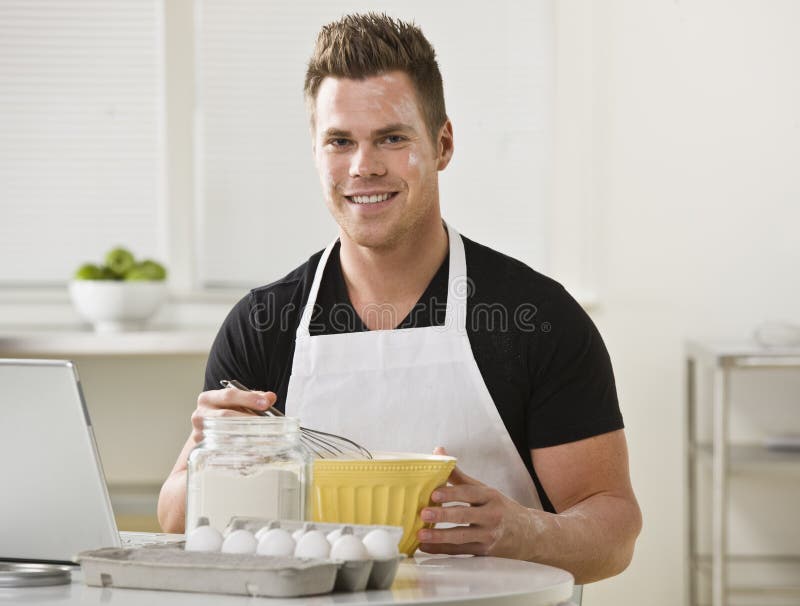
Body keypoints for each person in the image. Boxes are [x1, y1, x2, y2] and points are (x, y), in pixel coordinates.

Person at [158, 13, 641, 584]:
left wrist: (522, 531)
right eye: (340, 141)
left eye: (391, 137)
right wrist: (208, 452)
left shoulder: (536, 319)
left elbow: (613, 532)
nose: (364, 167)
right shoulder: (263, 324)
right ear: (316, 153)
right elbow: (175, 519)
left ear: (442, 144)